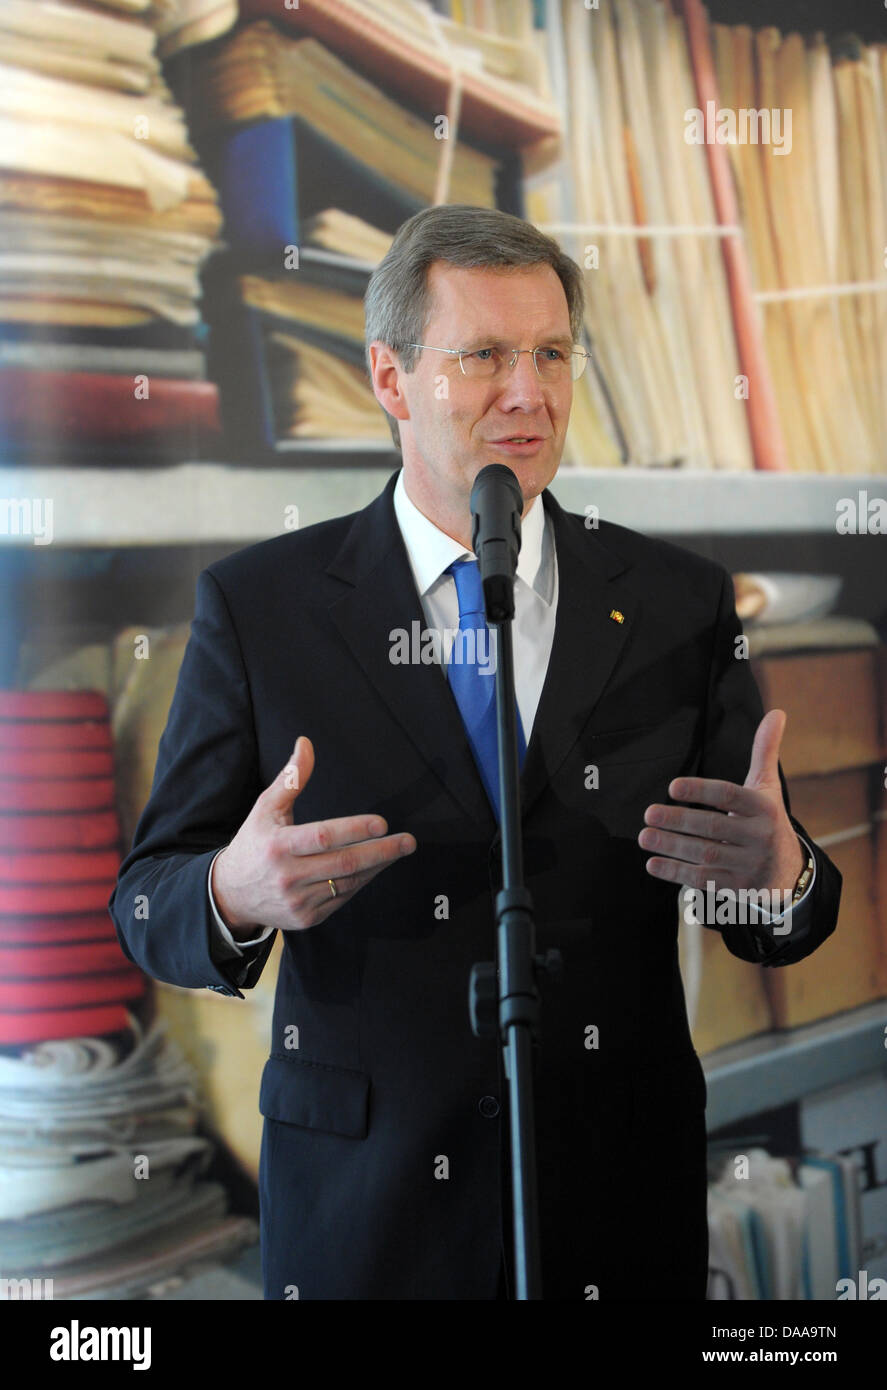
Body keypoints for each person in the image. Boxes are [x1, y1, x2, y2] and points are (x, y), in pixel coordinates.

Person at [109, 205, 841, 1301]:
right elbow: (146, 902)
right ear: (390, 378)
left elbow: (779, 908)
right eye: (483, 355)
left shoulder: (677, 602)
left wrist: (777, 881)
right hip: (370, 1212)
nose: (526, 392)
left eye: (551, 353)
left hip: (615, 1197)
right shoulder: (260, 608)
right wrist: (232, 889)